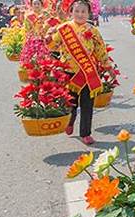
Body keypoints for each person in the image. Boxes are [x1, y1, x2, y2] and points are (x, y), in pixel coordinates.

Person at [46, 0, 113, 145]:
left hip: (87, 73)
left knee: (87, 104)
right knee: (70, 103)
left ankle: (85, 133)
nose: (80, 14)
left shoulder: (93, 30)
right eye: (77, 11)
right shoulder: (63, 28)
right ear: (71, 12)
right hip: (68, 72)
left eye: (83, 11)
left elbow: (100, 50)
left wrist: (107, 66)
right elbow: (52, 45)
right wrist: (48, 38)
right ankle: (69, 122)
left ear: (89, 13)